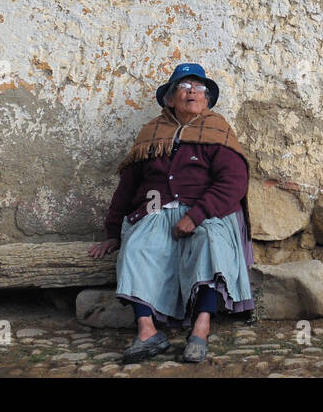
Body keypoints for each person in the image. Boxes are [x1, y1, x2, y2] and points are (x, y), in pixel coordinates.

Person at [89, 63, 254, 363]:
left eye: (199, 88)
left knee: (210, 242)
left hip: (207, 210)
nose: (192, 91)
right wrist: (113, 233)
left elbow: (234, 183)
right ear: (169, 99)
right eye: (184, 86)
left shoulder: (218, 131)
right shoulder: (152, 133)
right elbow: (128, 187)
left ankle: (200, 330)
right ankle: (147, 332)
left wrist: (196, 215)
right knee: (138, 245)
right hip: (156, 207)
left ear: (207, 100)